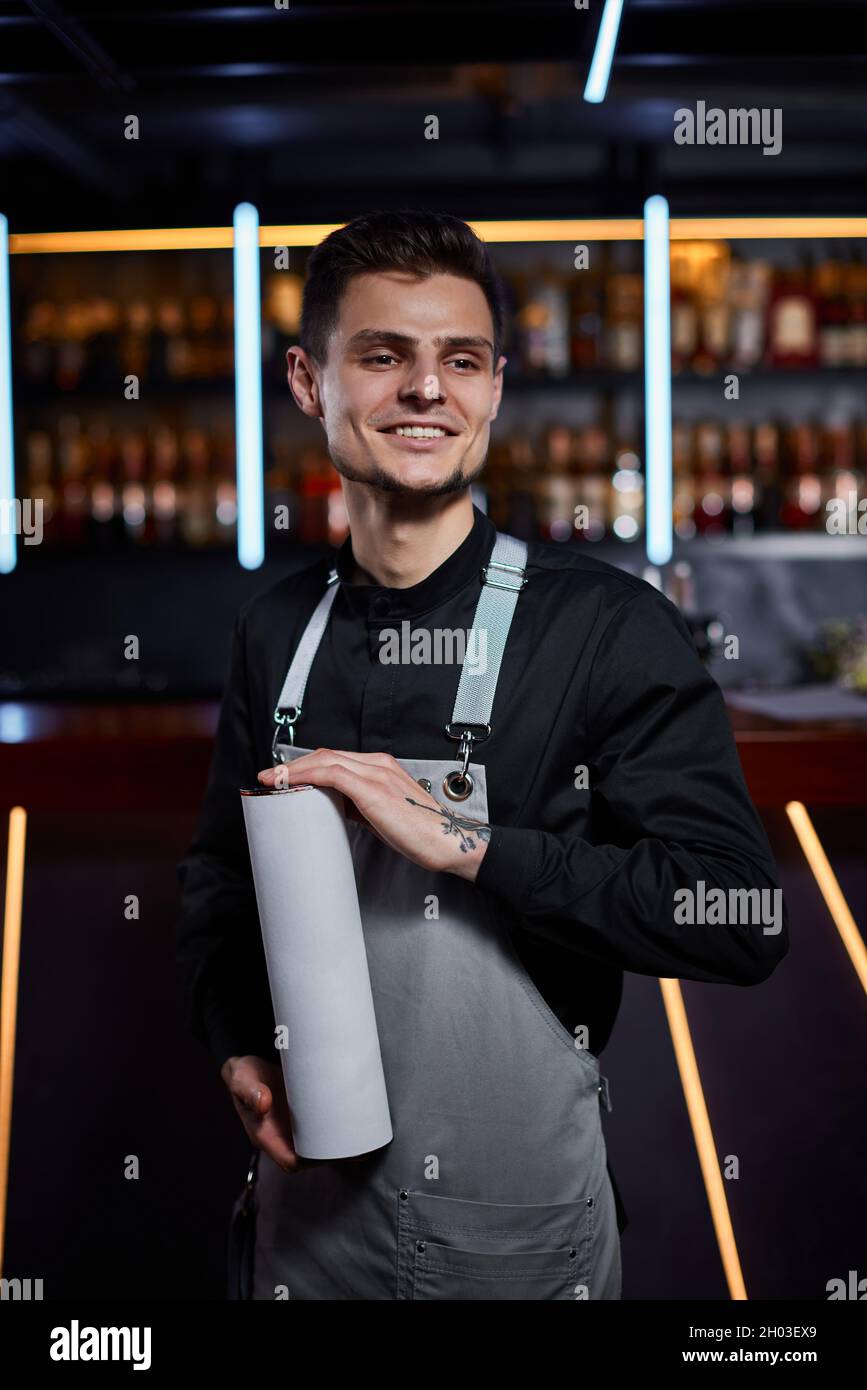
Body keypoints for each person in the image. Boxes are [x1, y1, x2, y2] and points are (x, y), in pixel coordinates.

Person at [176, 209, 789, 1301]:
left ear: (496, 388)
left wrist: (466, 843)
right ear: (310, 382)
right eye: (383, 355)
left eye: (460, 359)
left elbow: (740, 913)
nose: (427, 390)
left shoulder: (603, 627)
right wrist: (233, 1039)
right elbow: (220, 871)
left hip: (515, 1232)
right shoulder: (276, 628)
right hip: (306, 1218)